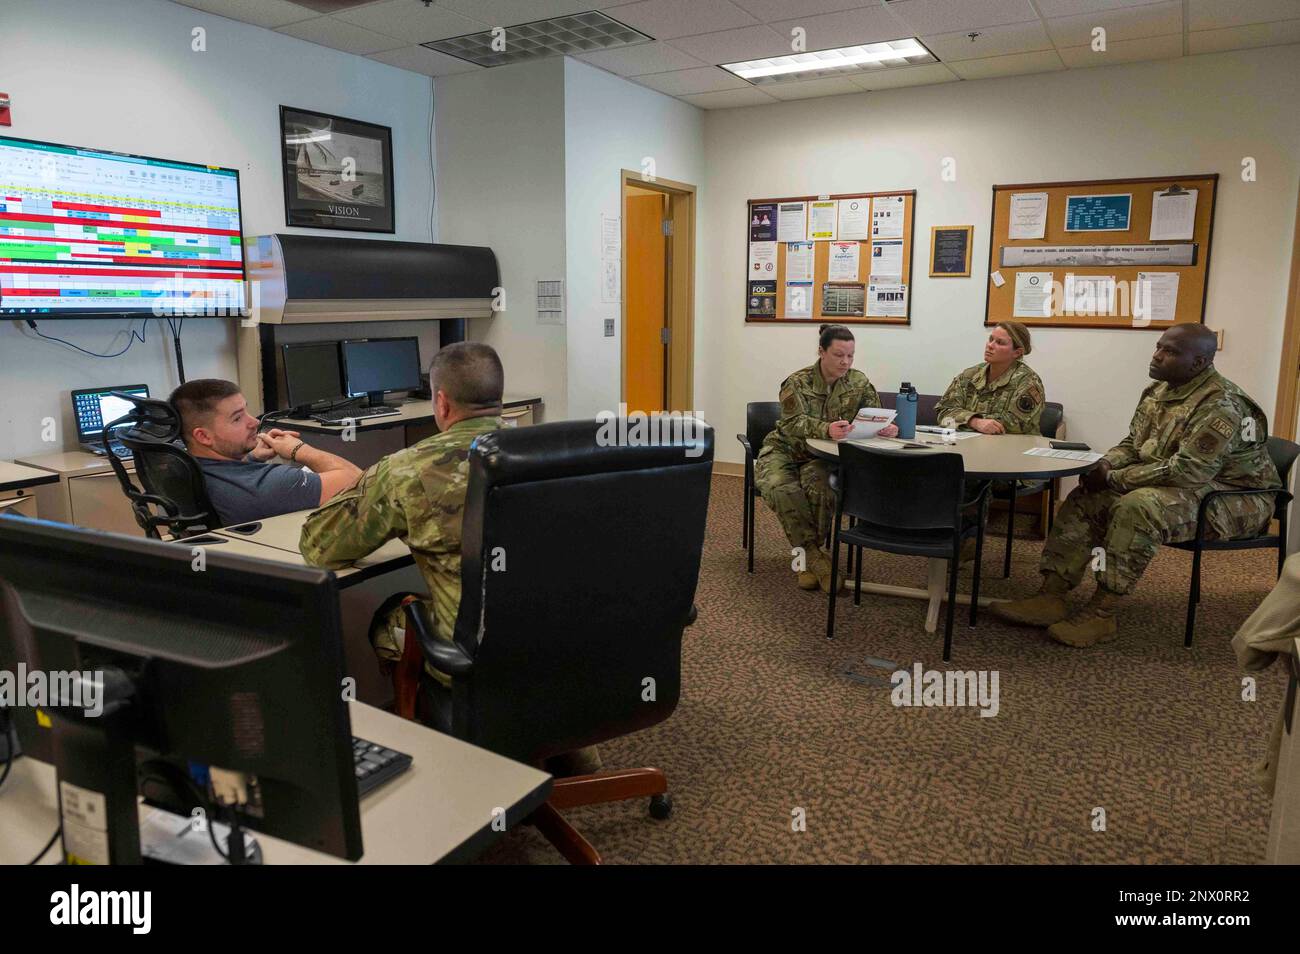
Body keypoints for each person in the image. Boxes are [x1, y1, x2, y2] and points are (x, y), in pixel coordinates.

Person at [298, 344, 603, 776]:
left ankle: (443, 752)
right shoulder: (560, 452)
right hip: (571, 638)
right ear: (499, 396)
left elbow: (321, 546)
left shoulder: (407, 469)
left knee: (393, 614)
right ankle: (562, 739)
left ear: (440, 402)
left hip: (480, 657)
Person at [991, 323, 1282, 647]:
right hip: (1190, 486)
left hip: (1235, 499)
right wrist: (1103, 464)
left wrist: (1115, 478)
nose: (1156, 356)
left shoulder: (1223, 404)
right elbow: (1133, 444)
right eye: (1158, 347)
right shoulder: (1158, 391)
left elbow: (1190, 471)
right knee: (1089, 494)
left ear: (1199, 362)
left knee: (1139, 506)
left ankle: (1102, 613)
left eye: (1169, 352)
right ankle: (1052, 594)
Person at [753, 323, 897, 594]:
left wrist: (885, 427)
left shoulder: (859, 382)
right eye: (839, 355)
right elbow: (793, 422)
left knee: (821, 489)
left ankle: (806, 562)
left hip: (821, 456)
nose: (845, 362)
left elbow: (874, 413)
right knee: (779, 487)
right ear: (822, 351)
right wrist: (825, 429)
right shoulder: (797, 382)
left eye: (850, 356)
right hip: (785, 449)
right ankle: (816, 560)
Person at [171, 378, 362, 527]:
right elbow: (358, 481)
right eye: (237, 418)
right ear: (203, 436)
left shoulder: (180, 471)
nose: (254, 422)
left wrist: (252, 458)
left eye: (246, 411)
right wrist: (300, 450)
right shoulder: (270, 484)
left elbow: (228, 476)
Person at [935, 321, 1044, 435]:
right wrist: (975, 422)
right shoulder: (969, 376)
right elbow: (943, 412)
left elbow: (1016, 424)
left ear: (1017, 352)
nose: (990, 345)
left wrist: (964, 418)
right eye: (991, 339)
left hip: (1014, 447)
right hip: (970, 445)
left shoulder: (1028, 381)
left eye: (1000, 342)